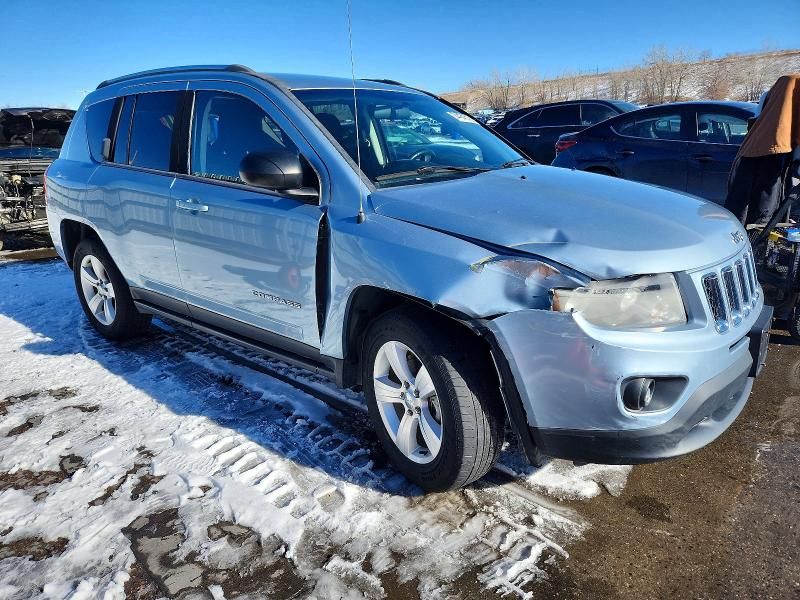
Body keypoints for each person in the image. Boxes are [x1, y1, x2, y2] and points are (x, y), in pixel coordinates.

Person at [725, 74, 800, 226]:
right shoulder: (769, 139)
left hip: (769, 163)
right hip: (765, 166)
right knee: (757, 218)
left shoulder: (768, 116)